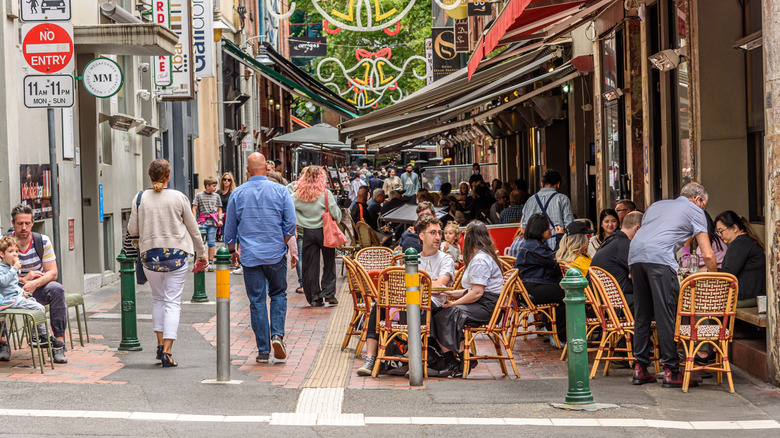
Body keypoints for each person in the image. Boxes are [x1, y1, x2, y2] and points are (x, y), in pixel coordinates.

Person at [628, 182, 716, 388]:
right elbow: (708, 253)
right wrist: (716, 276)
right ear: (698, 200)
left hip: (635, 256)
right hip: (659, 259)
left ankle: (640, 369)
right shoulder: (695, 210)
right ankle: (671, 371)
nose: (703, 209)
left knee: (642, 314)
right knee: (666, 314)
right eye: (704, 205)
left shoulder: (657, 206)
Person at [129, 159, 208, 368]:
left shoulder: (140, 198)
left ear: (150, 175)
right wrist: (202, 253)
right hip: (176, 256)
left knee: (158, 299)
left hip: (149, 256)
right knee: (172, 302)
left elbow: (132, 230)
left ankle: (158, 344)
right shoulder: (179, 197)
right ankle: (167, 351)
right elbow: (193, 229)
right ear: (168, 176)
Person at [357, 214, 454, 376]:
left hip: (433, 305)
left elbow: (440, 285)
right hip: (409, 302)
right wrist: (430, 283)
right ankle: (371, 358)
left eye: (439, 233)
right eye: (433, 233)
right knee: (378, 305)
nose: (438, 237)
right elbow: (404, 286)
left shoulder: (446, 259)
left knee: (412, 306)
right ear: (422, 236)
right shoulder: (413, 258)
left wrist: (422, 284)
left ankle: (409, 356)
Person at [225, 152, 297, 363]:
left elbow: (230, 229)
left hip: (250, 256)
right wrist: (283, 241)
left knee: (256, 302)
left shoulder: (237, 194)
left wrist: (232, 251)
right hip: (275, 254)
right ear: (267, 168)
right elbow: (291, 223)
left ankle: (263, 351)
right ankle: (277, 335)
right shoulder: (281, 191)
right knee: (278, 294)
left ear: (247, 170)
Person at [0, 204, 69, 363]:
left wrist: (34, 283)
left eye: (27, 223)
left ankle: (58, 344)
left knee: (57, 289)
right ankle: (2, 343)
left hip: (35, 289)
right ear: (13, 223)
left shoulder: (42, 241)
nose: (23, 227)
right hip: (9, 289)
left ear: (32, 222)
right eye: (19, 223)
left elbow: (53, 273)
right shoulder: (3, 243)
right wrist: (23, 279)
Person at [433, 221, 503, 377]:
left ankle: (461, 358)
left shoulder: (480, 260)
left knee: (446, 313)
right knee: (441, 313)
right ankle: (461, 358)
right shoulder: (482, 256)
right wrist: (450, 293)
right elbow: (472, 291)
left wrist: (454, 302)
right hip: (485, 304)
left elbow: (477, 293)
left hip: (488, 308)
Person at [292, 166, 342, 307]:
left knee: (310, 265)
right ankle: (328, 293)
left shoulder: (297, 195)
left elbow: (288, 208)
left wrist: (300, 220)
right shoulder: (325, 194)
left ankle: (314, 297)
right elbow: (335, 213)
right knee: (329, 262)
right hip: (324, 231)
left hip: (307, 232)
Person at [514, 213, 567, 344]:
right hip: (531, 289)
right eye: (547, 228)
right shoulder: (534, 247)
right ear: (539, 230)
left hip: (531, 286)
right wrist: (560, 237)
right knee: (567, 293)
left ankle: (551, 330)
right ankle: (561, 336)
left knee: (560, 289)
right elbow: (555, 259)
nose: (550, 230)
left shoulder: (535, 244)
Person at [0, 236, 51, 362]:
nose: (14, 254)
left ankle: (36, 335)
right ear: (1, 254)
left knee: (34, 303)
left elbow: (14, 286)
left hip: (16, 297)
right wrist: (15, 269)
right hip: (9, 301)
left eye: (16, 251)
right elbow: (3, 282)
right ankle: (45, 335)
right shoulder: (4, 269)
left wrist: (23, 292)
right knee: (39, 308)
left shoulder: (10, 268)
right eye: (10, 251)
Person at [591, 211, 643, 310]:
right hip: (619, 305)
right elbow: (643, 273)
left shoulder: (612, 241)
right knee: (665, 301)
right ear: (637, 229)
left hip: (605, 303)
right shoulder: (625, 245)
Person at [714, 211, 766, 307]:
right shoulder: (748, 241)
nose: (720, 235)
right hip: (757, 296)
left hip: (748, 299)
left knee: (705, 305)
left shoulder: (739, 244)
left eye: (721, 231)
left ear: (734, 228)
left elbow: (728, 274)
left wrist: (710, 271)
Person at [192, 177, 223, 271]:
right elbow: (194, 207)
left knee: (211, 242)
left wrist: (220, 219)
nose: (215, 188)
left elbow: (219, 208)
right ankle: (200, 260)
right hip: (202, 222)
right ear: (207, 186)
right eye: (213, 186)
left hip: (213, 222)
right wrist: (194, 220)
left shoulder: (216, 196)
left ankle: (210, 263)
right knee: (199, 242)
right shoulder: (199, 195)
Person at [217, 172, 236, 243]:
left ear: (231, 182)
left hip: (229, 215)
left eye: (229, 180)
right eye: (225, 179)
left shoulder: (233, 192)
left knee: (227, 234)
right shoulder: (218, 193)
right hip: (219, 216)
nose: (226, 181)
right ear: (222, 181)